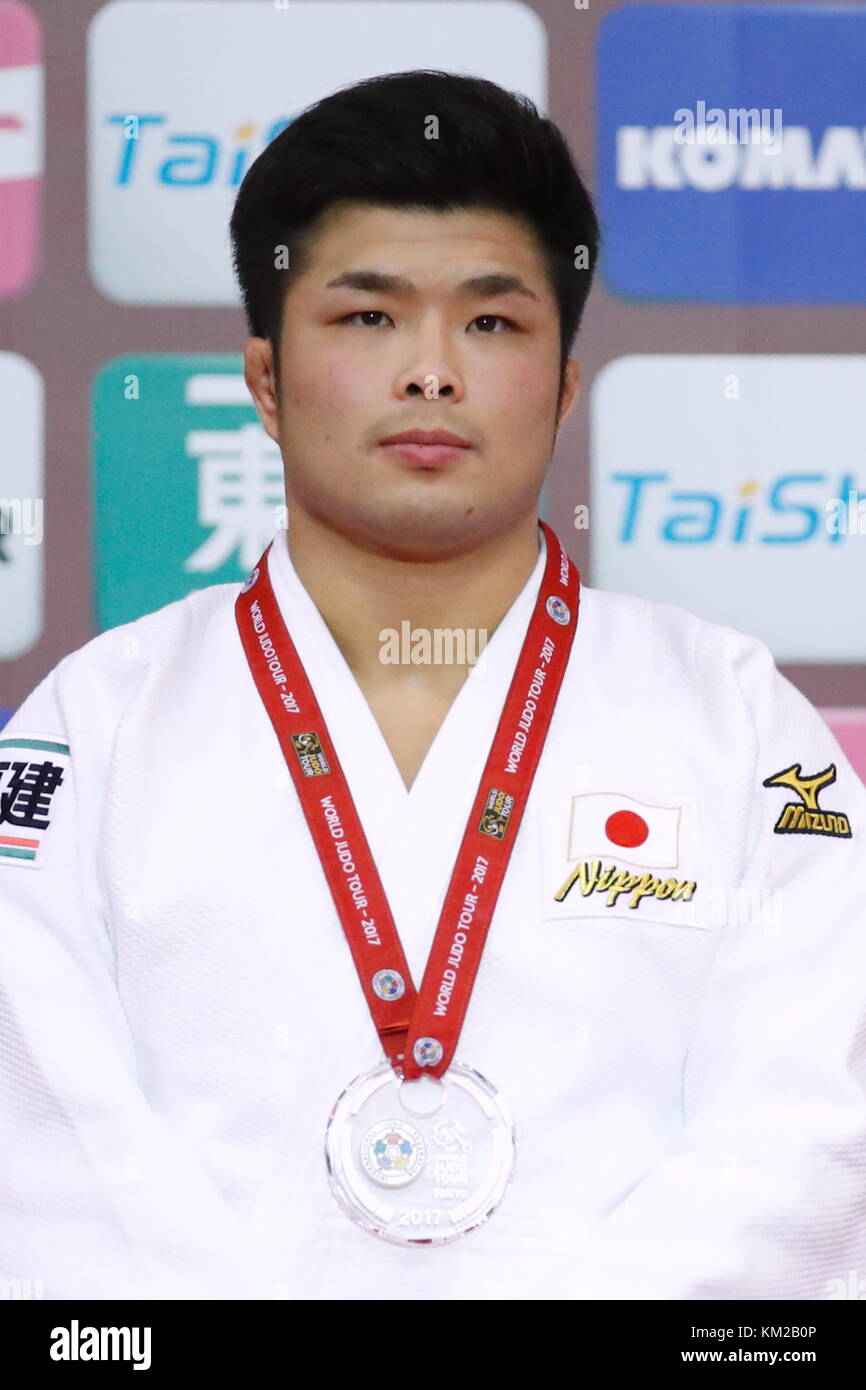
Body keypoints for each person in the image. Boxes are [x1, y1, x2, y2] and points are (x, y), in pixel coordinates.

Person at [1, 69, 864, 1302]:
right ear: (261, 377)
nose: (429, 373)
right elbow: (40, 1143)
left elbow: (812, 1126)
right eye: (365, 318)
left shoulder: (731, 717)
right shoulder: (96, 725)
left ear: (564, 387)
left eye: (491, 323)